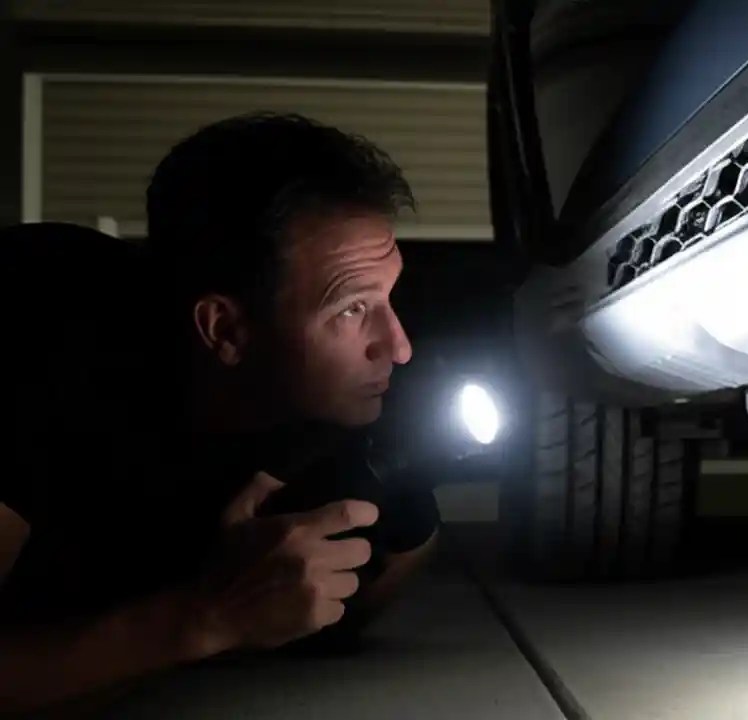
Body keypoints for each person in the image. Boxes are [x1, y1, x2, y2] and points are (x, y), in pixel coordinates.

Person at [0, 113, 438, 715]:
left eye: (387, 297)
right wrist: (206, 617)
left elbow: (339, 613)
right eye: (351, 309)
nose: (398, 345)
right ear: (225, 328)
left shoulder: (324, 412)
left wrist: (379, 523)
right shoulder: (36, 347)